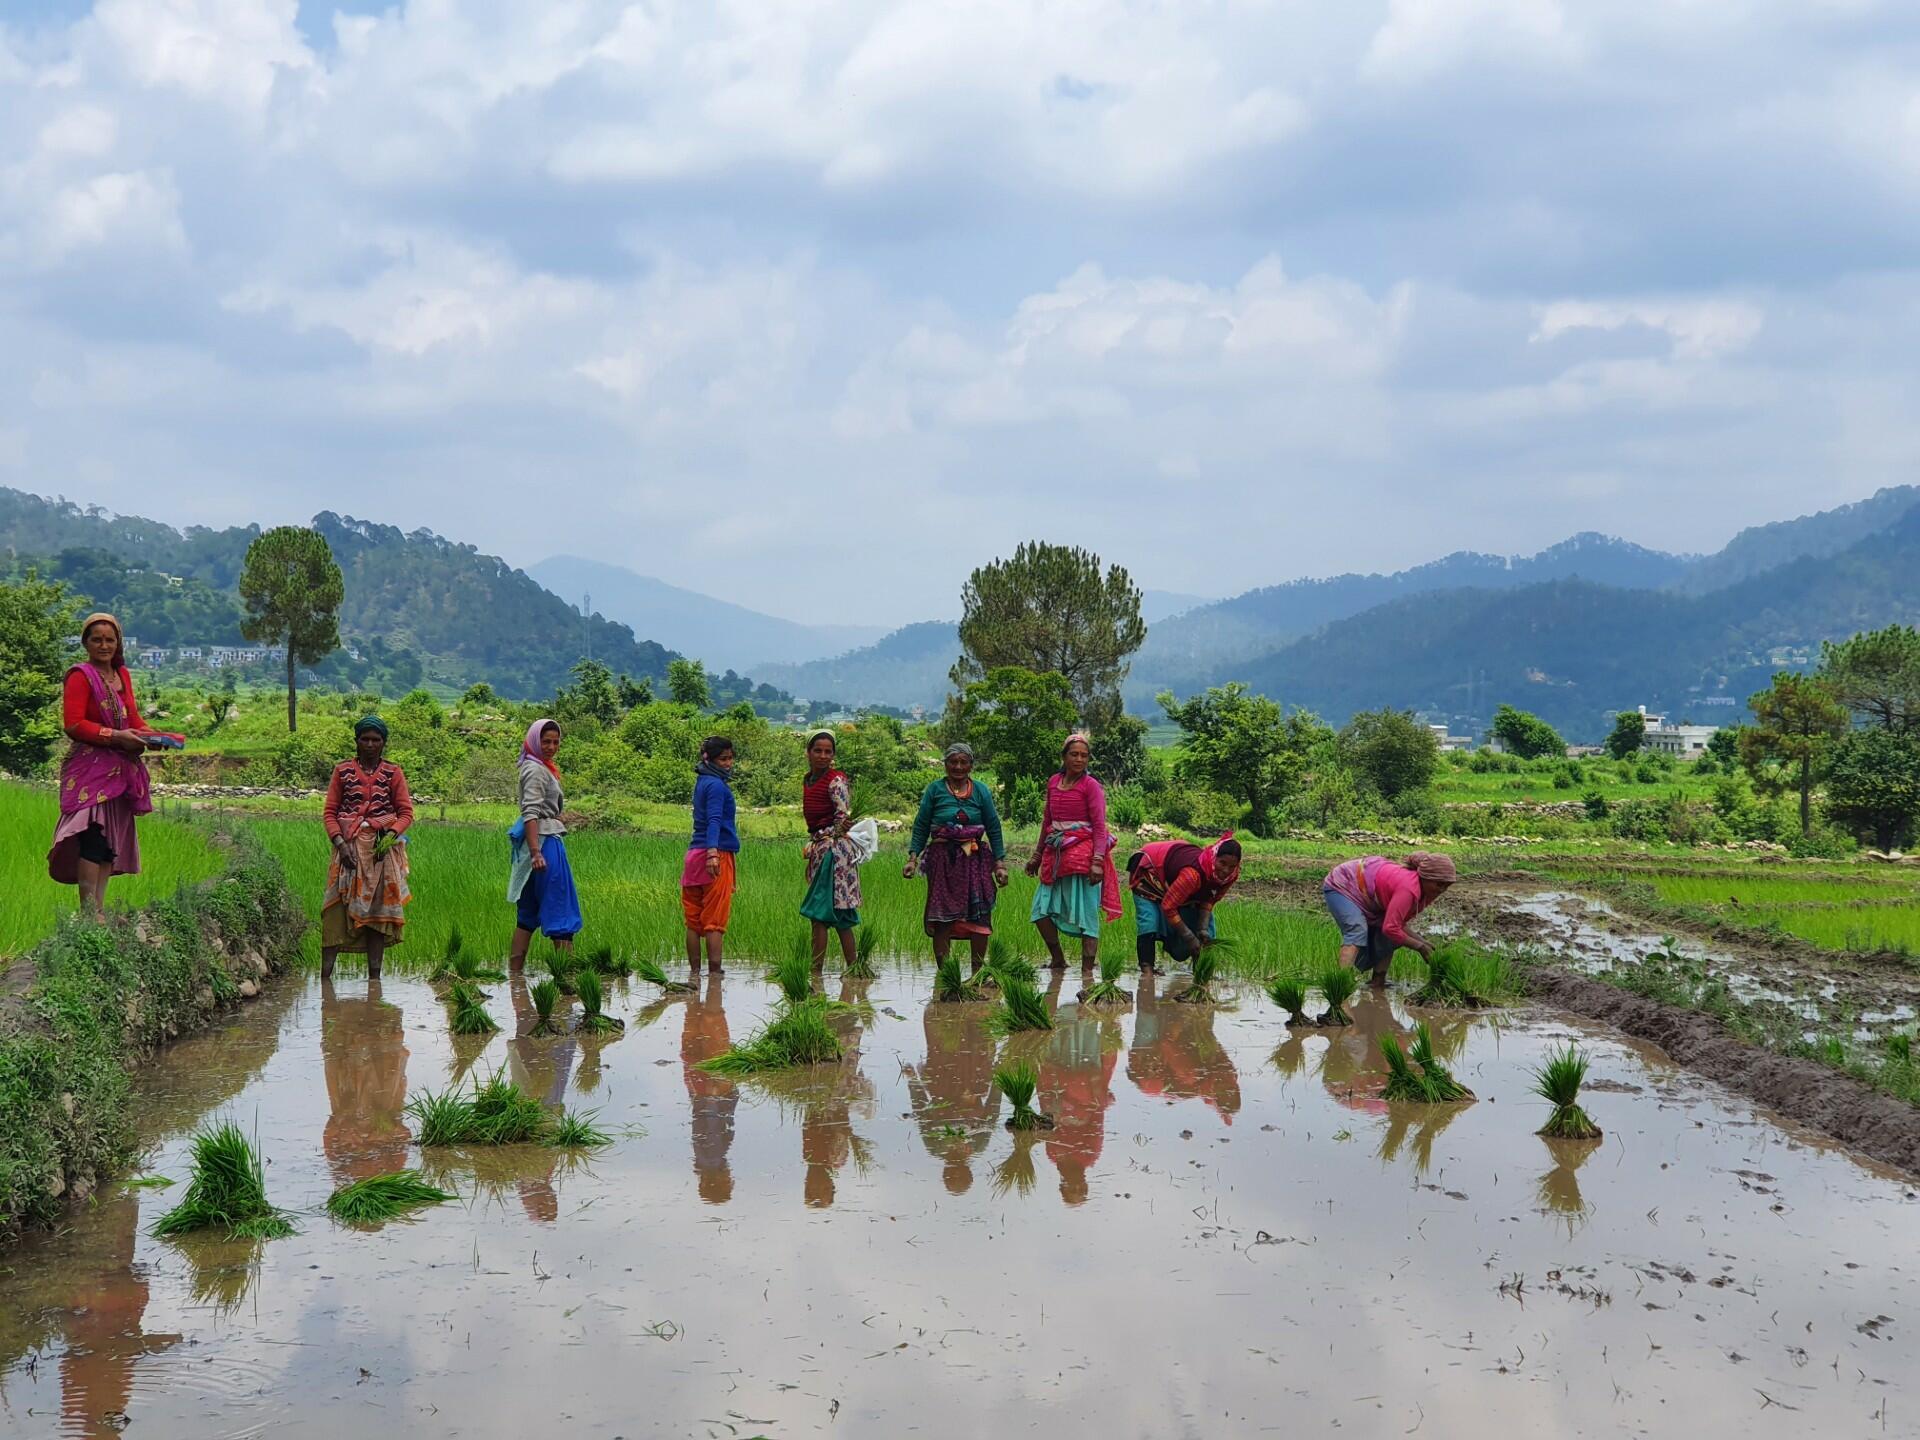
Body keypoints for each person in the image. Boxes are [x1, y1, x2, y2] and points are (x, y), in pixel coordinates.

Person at [48, 613, 174, 912]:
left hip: (119, 771)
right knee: (92, 836)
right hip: (89, 770)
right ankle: (89, 913)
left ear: (118, 643)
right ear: (86, 643)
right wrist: (116, 736)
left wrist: (153, 736)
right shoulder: (80, 676)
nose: (103, 645)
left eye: (109, 640)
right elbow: (74, 724)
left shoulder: (122, 675)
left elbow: (132, 717)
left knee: (107, 843)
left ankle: (99, 912)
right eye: (97, 640)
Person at [319, 716, 413, 981]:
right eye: (365, 739)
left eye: (376, 740)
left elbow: (406, 812)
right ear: (356, 741)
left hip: (381, 854)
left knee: (377, 918)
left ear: (383, 743)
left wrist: (390, 836)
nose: (370, 744)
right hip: (347, 852)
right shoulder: (343, 771)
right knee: (335, 913)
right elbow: (330, 812)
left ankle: (375, 982)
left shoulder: (393, 773)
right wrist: (340, 843)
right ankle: (325, 981)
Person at [905, 742, 1008, 972]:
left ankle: (977, 973)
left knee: (979, 914)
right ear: (945, 764)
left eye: (963, 762)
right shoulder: (935, 790)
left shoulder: (980, 790)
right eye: (953, 762)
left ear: (971, 765)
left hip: (975, 861)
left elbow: (993, 827)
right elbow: (921, 826)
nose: (958, 767)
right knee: (942, 916)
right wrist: (913, 858)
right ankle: (946, 975)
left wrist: (999, 864)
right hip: (943, 862)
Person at [1026, 733, 1121, 975]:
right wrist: (1037, 855)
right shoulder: (1053, 782)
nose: (1079, 759)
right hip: (1055, 855)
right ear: (1064, 756)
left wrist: (1098, 861)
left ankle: (1087, 972)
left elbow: (1099, 826)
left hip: (1084, 858)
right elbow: (1048, 821)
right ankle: (1058, 959)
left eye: (1084, 756)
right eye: (1074, 754)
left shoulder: (1091, 786)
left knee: (1087, 918)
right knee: (1040, 912)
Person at [508, 718, 582, 973]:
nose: (551, 746)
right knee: (561, 913)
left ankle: (515, 982)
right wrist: (537, 852)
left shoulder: (537, 766)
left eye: (555, 742)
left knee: (527, 915)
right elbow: (531, 813)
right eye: (546, 741)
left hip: (535, 845)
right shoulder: (536, 770)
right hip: (544, 845)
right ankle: (567, 981)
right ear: (534, 741)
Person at [1321, 852, 1458, 989]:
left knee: (1391, 936)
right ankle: (1340, 986)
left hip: (1371, 891)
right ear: (1425, 877)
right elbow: (1391, 928)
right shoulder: (1408, 889)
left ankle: (1378, 982)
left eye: (1447, 886)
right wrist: (1420, 947)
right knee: (1357, 930)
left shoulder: (1428, 891)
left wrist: (1423, 941)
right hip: (1344, 884)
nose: (1442, 890)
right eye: (1439, 884)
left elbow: (1396, 925)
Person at [1126, 833, 1242, 972]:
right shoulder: (1192, 875)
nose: (1225, 870)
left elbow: (1210, 898)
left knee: (1207, 932)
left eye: (1231, 866)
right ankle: (1147, 975)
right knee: (1149, 921)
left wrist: (1202, 929)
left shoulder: (1230, 876)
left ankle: (1201, 977)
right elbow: (1169, 907)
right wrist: (1189, 937)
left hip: (1179, 882)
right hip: (1151, 871)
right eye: (1222, 863)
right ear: (1214, 857)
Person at [799, 729, 862, 969]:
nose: (823, 756)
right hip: (822, 848)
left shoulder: (836, 780)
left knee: (821, 915)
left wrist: (830, 836)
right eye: (818, 751)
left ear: (833, 754)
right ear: (808, 752)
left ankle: (816, 973)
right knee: (838, 913)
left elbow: (842, 818)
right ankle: (855, 971)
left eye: (828, 751)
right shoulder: (809, 780)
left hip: (834, 852)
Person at [683, 736, 739, 974]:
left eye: (730, 758)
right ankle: (715, 976)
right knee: (714, 922)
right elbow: (714, 819)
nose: (728, 763)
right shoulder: (716, 785)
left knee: (694, 922)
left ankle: (695, 975)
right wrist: (713, 853)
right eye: (723, 759)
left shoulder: (702, 781)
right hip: (714, 856)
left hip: (694, 855)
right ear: (710, 759)